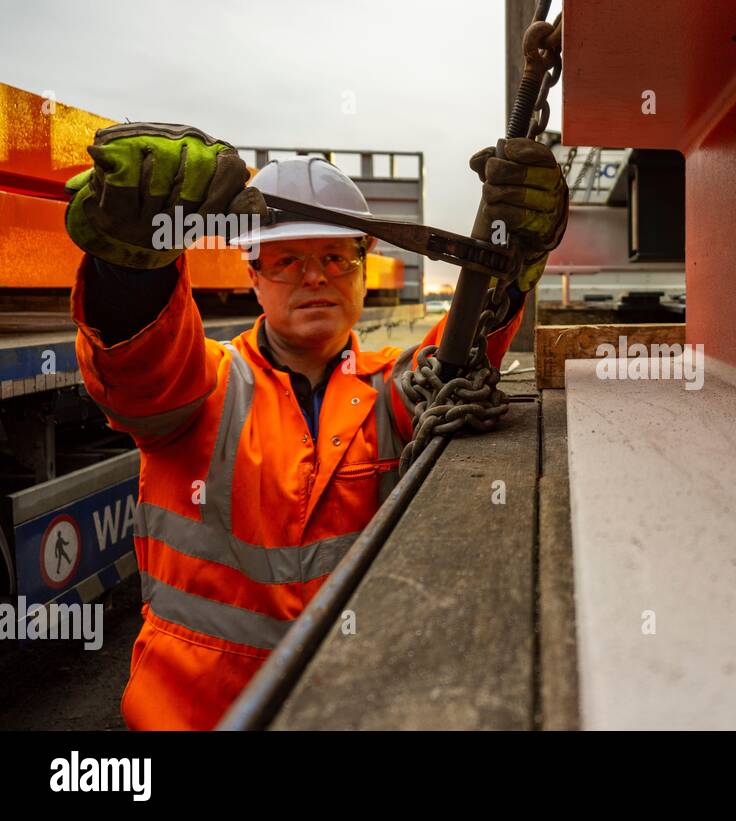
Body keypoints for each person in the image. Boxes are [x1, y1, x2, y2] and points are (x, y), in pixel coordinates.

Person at [64, 123, 568, 730]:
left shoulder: (391, 387)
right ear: (252, 275)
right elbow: (142, 373)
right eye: (287, 260)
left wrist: (509, 269)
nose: (315, 276)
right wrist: (132, 273)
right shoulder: (207, 387)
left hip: (357, 707)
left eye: (335, 256)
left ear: (362, 267)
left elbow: (455, 364)